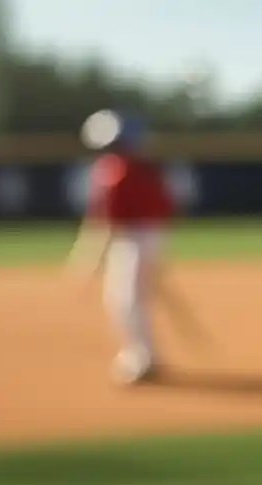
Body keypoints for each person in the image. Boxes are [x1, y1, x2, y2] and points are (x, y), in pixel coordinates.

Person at [66, 110, 174, 385]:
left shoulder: (115, 170)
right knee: (130, 299)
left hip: (134, 239)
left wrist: (89, 258)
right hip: (149, 237)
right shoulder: (144, 167)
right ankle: (143, 355)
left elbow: (106, 222)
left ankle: (143, 358)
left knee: (125, 300)